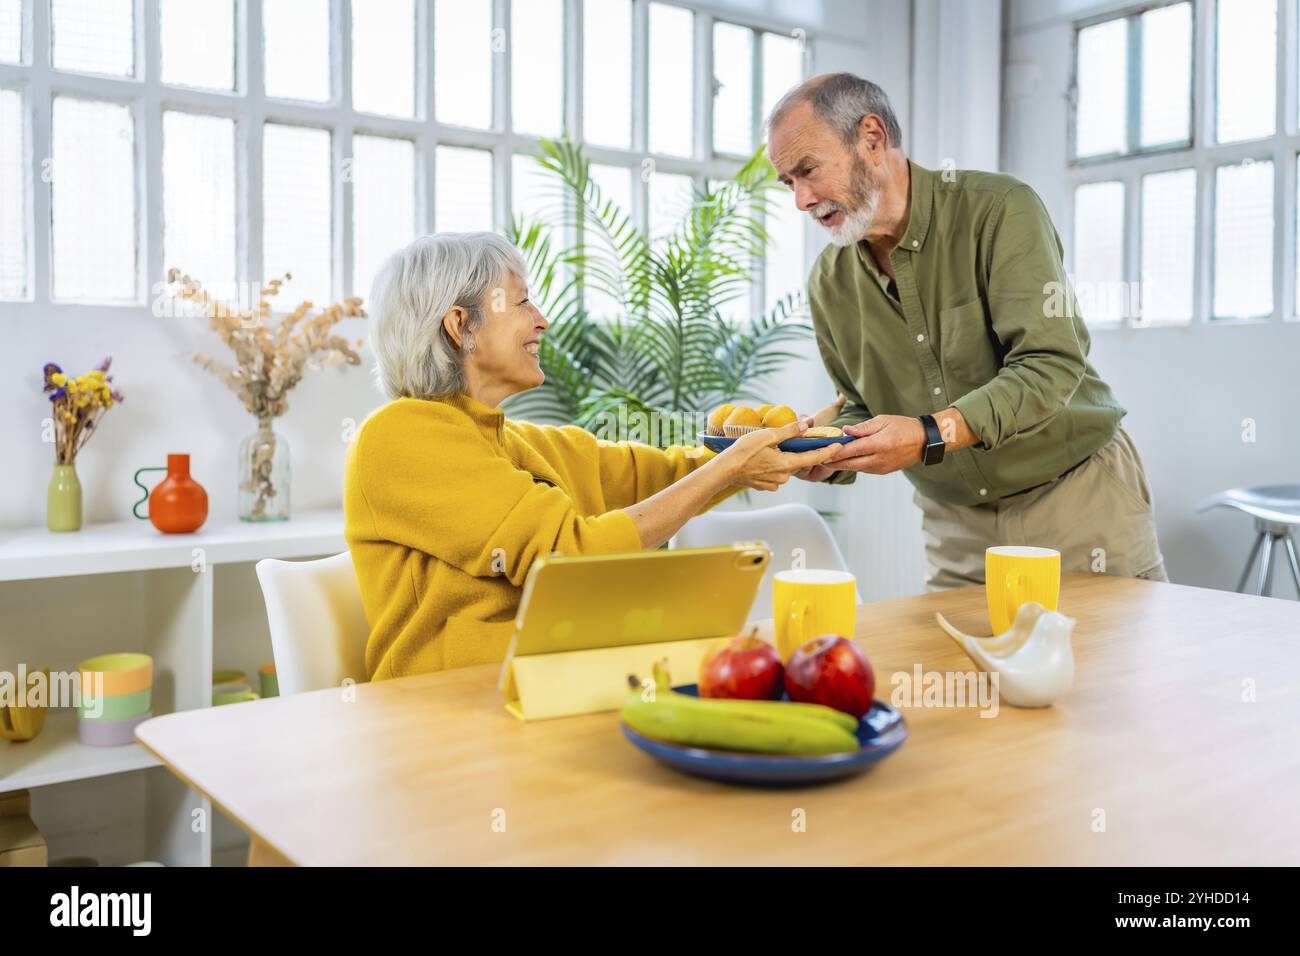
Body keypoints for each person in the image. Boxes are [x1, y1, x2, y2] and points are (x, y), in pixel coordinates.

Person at [344, 232, 838, 679]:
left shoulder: (519, 442)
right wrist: (732, 466)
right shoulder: (400, 436)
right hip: (442, 715)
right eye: (522, 302)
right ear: (460, 325)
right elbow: (569, 555)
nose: (543, 320)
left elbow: (657, 475)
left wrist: (769, 448)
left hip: (547, 692)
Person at [766, 72, 1166, 589]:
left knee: (1120, 670)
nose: (801, 199)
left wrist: (930, 433)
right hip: (956, 532)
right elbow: (863, 403)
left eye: (808, 170)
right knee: (956, 671)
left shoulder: (999, 209)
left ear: (871, 139)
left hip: (1077, 505)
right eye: (789, 183)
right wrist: (825, 450)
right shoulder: (828, 281)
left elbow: (1051, 364)